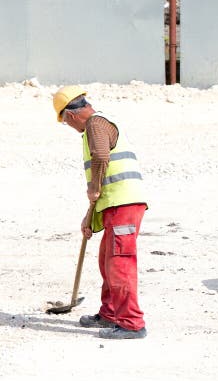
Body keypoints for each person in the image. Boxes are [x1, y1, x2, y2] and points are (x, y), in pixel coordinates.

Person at [52, 86, 148, 339]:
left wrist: (93, 186)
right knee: (107, 259)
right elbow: (103, 177)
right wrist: (90, 218)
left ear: (70, 116)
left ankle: (131, 323)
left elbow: (101, 156)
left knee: (119, 262)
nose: (69, 127)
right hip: (116, 204)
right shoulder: (97, 124)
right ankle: (111, 313)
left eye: (65, 122)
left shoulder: (96, 124)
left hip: (124, 204)